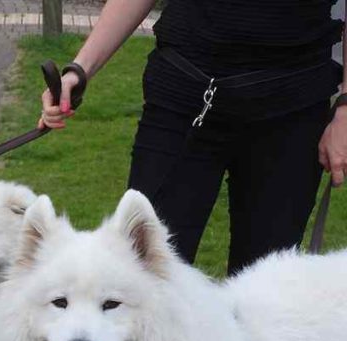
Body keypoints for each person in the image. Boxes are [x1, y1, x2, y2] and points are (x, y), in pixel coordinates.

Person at [41, 0, 347, 274]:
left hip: (291, 111)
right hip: (181, 100)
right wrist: (79, 71)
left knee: (264, 288)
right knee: (144, 271)